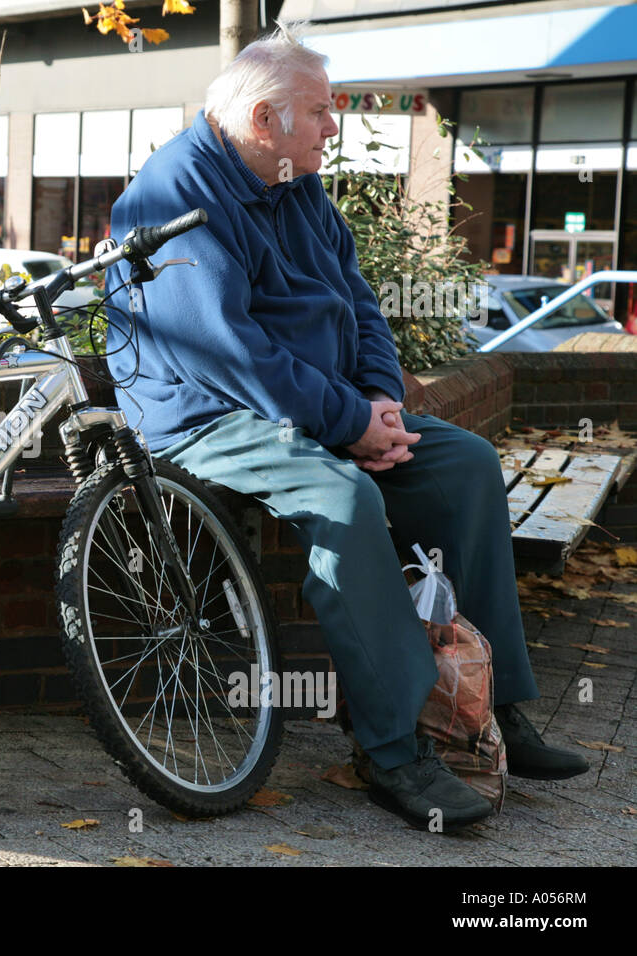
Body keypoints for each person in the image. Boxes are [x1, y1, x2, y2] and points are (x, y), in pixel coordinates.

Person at [105, 20, 588, 829]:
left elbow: (358, 299)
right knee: (344, 498)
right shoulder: (173, 194)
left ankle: (486, 709)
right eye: (322, 111)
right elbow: (228, 356)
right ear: (266, 121)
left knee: (465, 465)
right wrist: (347, 424)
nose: (336, 126)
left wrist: (377, 401)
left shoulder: (293, 181)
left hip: (320, 405)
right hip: (204, 415)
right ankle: (395, 747)